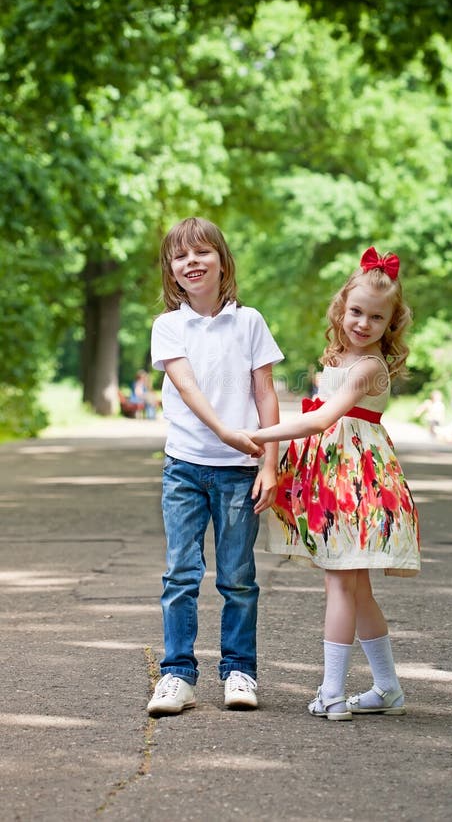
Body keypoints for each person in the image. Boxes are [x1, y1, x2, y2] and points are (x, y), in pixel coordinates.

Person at [246, 247, 420, 721]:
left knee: (341, 585)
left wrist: (260, 435)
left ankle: (331, 692)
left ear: (391, 324)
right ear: (342, 308)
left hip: (357, 487)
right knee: (355, 587)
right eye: (356, 312)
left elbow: (320, 419)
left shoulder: (368, 368)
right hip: (333, 483)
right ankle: (386, 690)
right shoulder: (337, 357)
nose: (363, 323)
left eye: (376, 318)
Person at [147, 216, 284, 716]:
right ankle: (177, 675)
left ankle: (240, 671)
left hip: (239, 471)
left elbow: (265, 394)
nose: (192, 262)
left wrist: (269, 464)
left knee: (238, 577)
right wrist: (225, 430)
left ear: (222, 261)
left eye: (202, 252)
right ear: (172, 271)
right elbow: (185, 387)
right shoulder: (168, 326)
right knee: (181, 574)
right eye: (181, 256)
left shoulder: (249, 321)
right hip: (184, 467)